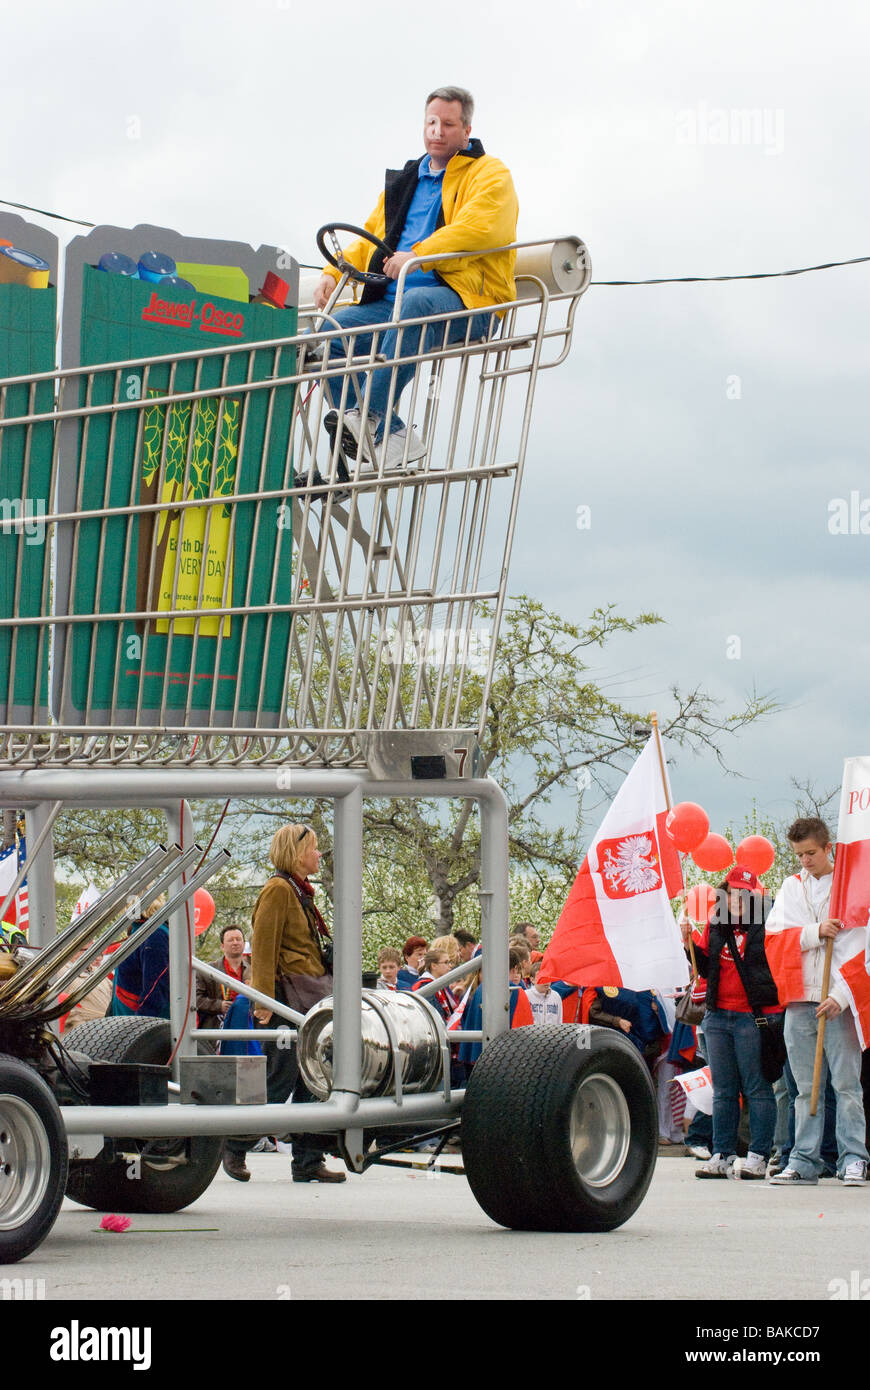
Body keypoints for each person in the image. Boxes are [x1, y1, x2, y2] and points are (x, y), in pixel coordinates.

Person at [309, 86, 518, 477]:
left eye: (448, 124)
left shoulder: (490, 173)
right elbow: (372, 236)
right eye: (431, 122)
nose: (437, 132)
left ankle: (369, 416)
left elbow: (481, 229)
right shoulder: (407, 179)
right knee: (327, 335)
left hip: (467, 301)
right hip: (391, 304)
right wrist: (331, 272)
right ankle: (392, 434)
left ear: (467, 129)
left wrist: (419, 255)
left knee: (415, 304)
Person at [222, 824, 346, 1185]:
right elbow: (262, 949)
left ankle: (307, 1160)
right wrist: (262, 1002)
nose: (319, 854)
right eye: (314, 848)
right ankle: (235, 1142)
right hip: (285, 1001)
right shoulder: (279, 890)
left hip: (304, 999)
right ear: (295, 852)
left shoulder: (296, 890)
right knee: (279, 1079)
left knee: (315, 1077)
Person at [765, 817, 869, 1186]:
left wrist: (841, 995)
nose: (805, 861)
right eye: (798, 855)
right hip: (801, 999)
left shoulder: (853, 886)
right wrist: (814, 932)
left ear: (829, 848)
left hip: (838, 999)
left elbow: (863, 948)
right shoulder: (792, 887)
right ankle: (804, 1158)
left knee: (846, 1085)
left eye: (811, 852)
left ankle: (853, 1157)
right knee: (805, 1089)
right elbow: (775, 938)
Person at [683, 866, 780, 1180]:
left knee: (757, 1087)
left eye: (744, 893)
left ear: (754, 897)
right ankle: (721, 1154)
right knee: (723, 1090)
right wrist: (689, 945)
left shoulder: (767, 923)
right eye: (732, 891)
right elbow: (707, 968)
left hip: (752, 1016)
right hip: (717, 1015)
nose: (737, 897)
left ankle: (757, 1155)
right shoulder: (716, 923)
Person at [196, 924, 250, 1034]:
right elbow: (195, 999)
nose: (235, 942)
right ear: (222, 946)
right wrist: (219, 1005)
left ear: (244, 944)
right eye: (230, 940)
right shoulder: (207, 970)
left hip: (246, 1026)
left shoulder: (253, 971)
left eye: (238, 939)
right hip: (216, 1028)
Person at [524, 961, 563, 1025]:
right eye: (542, 978)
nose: (546, 981)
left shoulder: (556, 996)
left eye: (548, 976)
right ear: (532, 979)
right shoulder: (526, 996)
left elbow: (559, 1020)